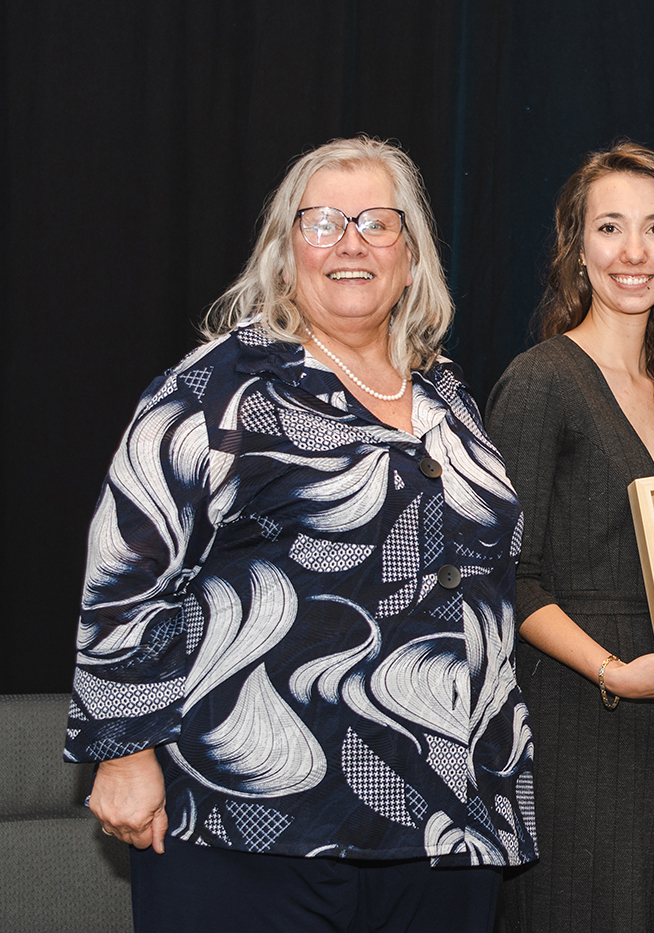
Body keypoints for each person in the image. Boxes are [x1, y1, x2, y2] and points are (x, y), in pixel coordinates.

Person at [65, 136, 535, 933]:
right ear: (286, 254)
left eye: (378, 224)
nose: (352, 242)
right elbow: (126, 572)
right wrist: (123, 748)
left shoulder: (448, 393)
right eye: (323, 223)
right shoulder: (218, 388)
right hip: (250, 819)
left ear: (412, 257)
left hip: (450, 817)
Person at [484, 141, 654, 933]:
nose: (635, 252)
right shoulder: (540, 380)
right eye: (611, 228)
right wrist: (614, 672)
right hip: (578, 716)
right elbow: (507, 575)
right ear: (578, 250)